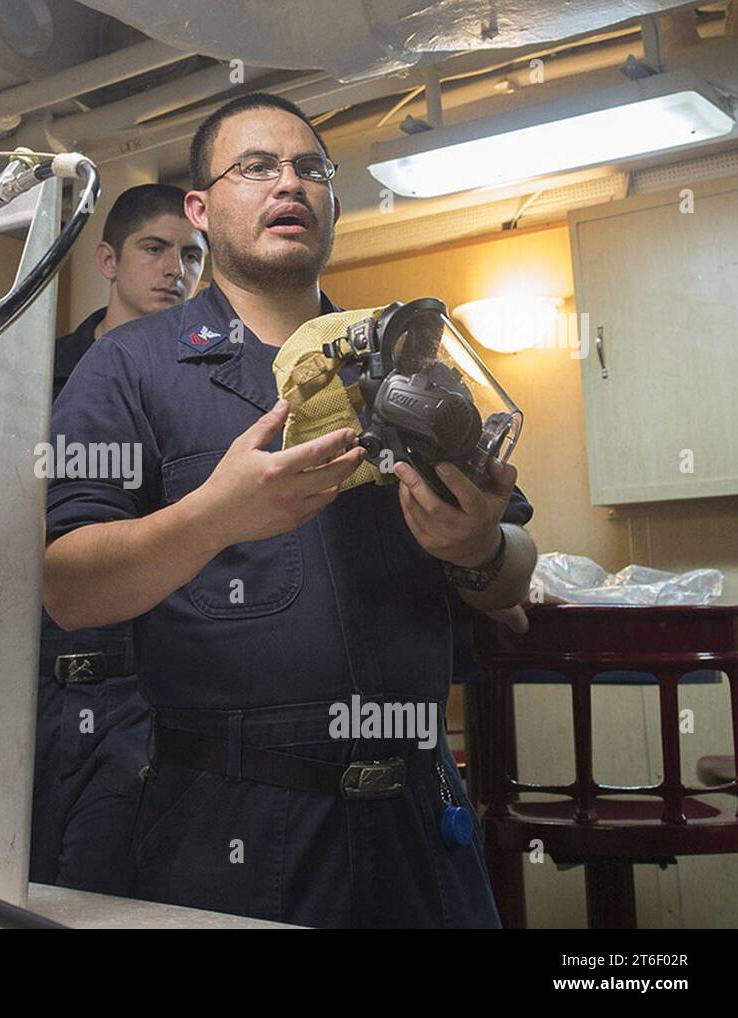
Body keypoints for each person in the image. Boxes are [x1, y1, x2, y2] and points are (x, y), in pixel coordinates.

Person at [42, 92, 537, 927]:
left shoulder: (407, 359)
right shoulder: (129, 366)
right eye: (258, 167)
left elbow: (514, 586)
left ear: (334, 201)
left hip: (421, 815)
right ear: (201, 207)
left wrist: (481, 545)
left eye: (311, 169)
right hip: (230, 824)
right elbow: (67, 588)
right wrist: (214, 518)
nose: (291, 185)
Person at [30, 184, 207, 892]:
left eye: (191, 255)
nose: (176, 270)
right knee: (27, 882)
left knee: (122, 886)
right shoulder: (34, 375)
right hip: (38, 672)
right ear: (107, 258)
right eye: (155, 249)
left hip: (155, 682)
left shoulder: (202, 383)